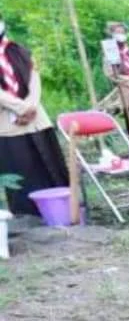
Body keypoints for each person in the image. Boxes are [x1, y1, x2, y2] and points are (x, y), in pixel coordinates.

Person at [0, 17, 69, 218]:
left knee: (50, 164)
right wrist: (19, 107)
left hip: (36, 119)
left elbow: (34, 78)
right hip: (7, 123)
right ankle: (28, 215)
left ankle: (59, 209)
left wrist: (31, 104)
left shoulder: (19, 50)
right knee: (21, 170)